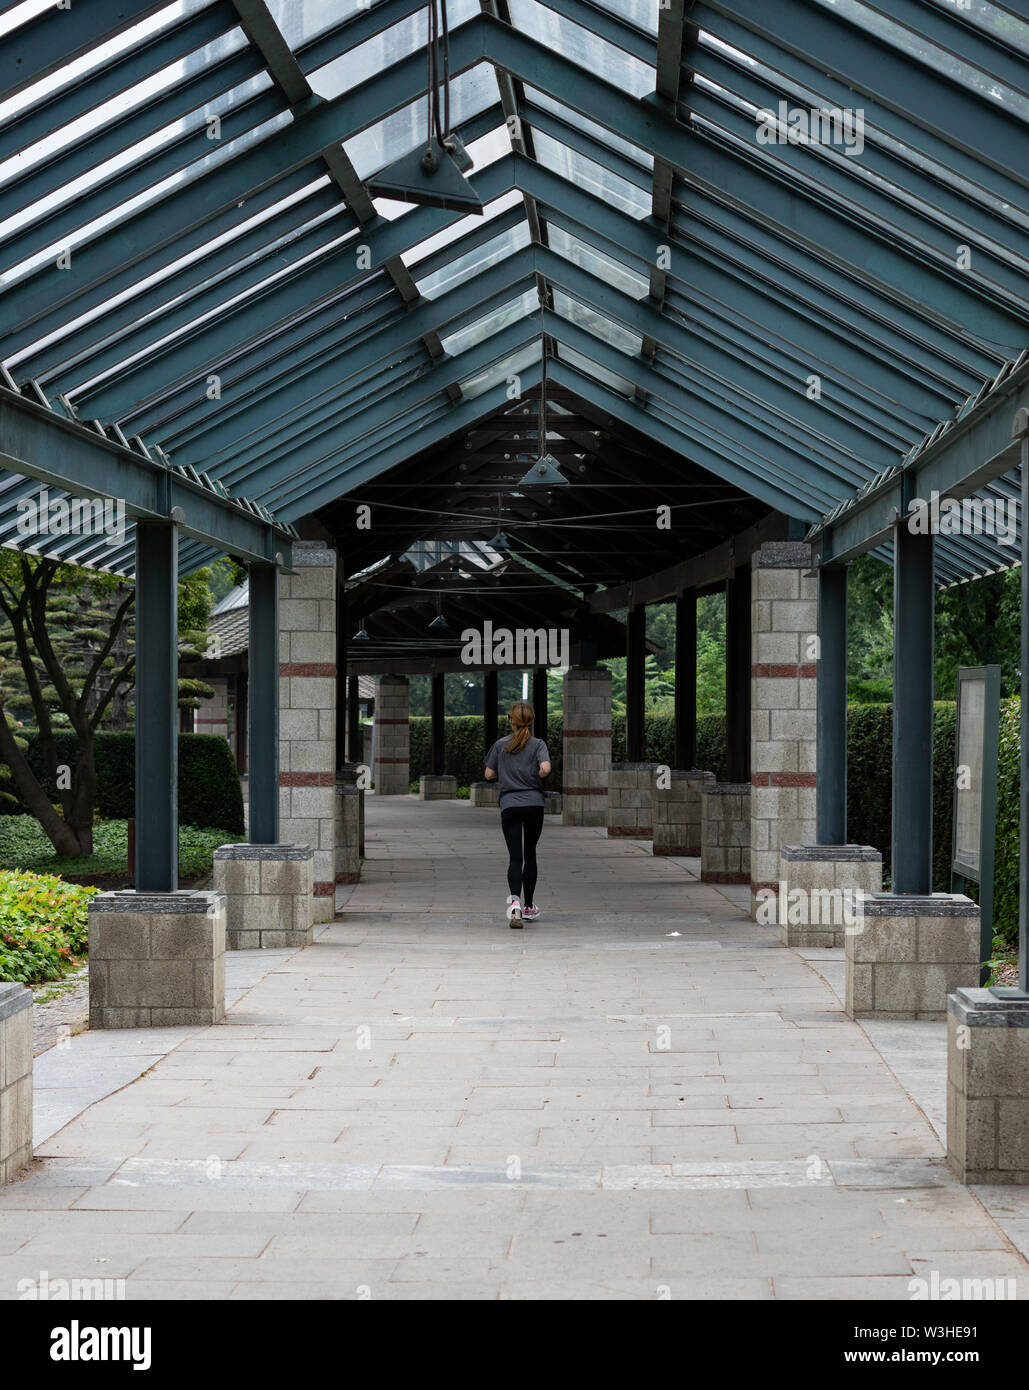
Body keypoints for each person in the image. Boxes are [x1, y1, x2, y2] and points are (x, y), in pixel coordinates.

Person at [484, 701, 551, 928]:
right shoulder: (538, 744)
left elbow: (488, 774)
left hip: (510, 805)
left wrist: (506, 772)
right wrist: (536, 772)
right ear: (531, 721)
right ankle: (530, 907)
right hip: (534, 804)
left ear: (511, 721)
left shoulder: (500, 745)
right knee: (530, 854)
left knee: (515, 857)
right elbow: (546, 769)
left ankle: (515, 905)